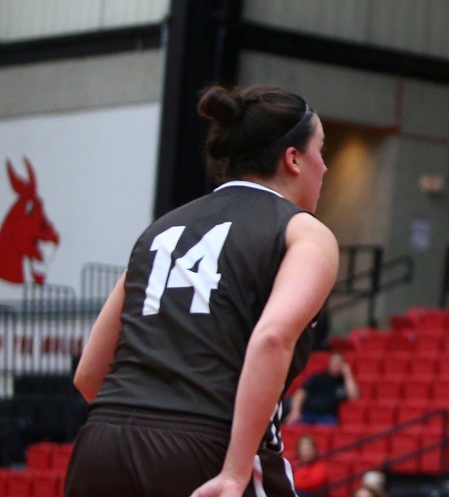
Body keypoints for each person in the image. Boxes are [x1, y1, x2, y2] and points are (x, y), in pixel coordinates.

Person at [65, 84, 337, 497]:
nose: (326, 167)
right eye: (321, 150)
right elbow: (272, 338)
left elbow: (88, 374)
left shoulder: (160, 230)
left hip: (101, 444)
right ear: (294, 159)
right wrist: (233, 471)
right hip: (206, 443)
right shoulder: (303, 232)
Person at [288, 351, 360, 426]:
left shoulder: (344, 382)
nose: (336, 364)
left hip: (327, 416)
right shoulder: (318, 378)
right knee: (293, 424)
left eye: (339, 362)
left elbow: (353, 397)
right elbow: (301, 394)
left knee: (328, 426)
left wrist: (347, 374)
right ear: (329, 362)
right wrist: (295, 412)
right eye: (334, 361)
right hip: (308, 412)